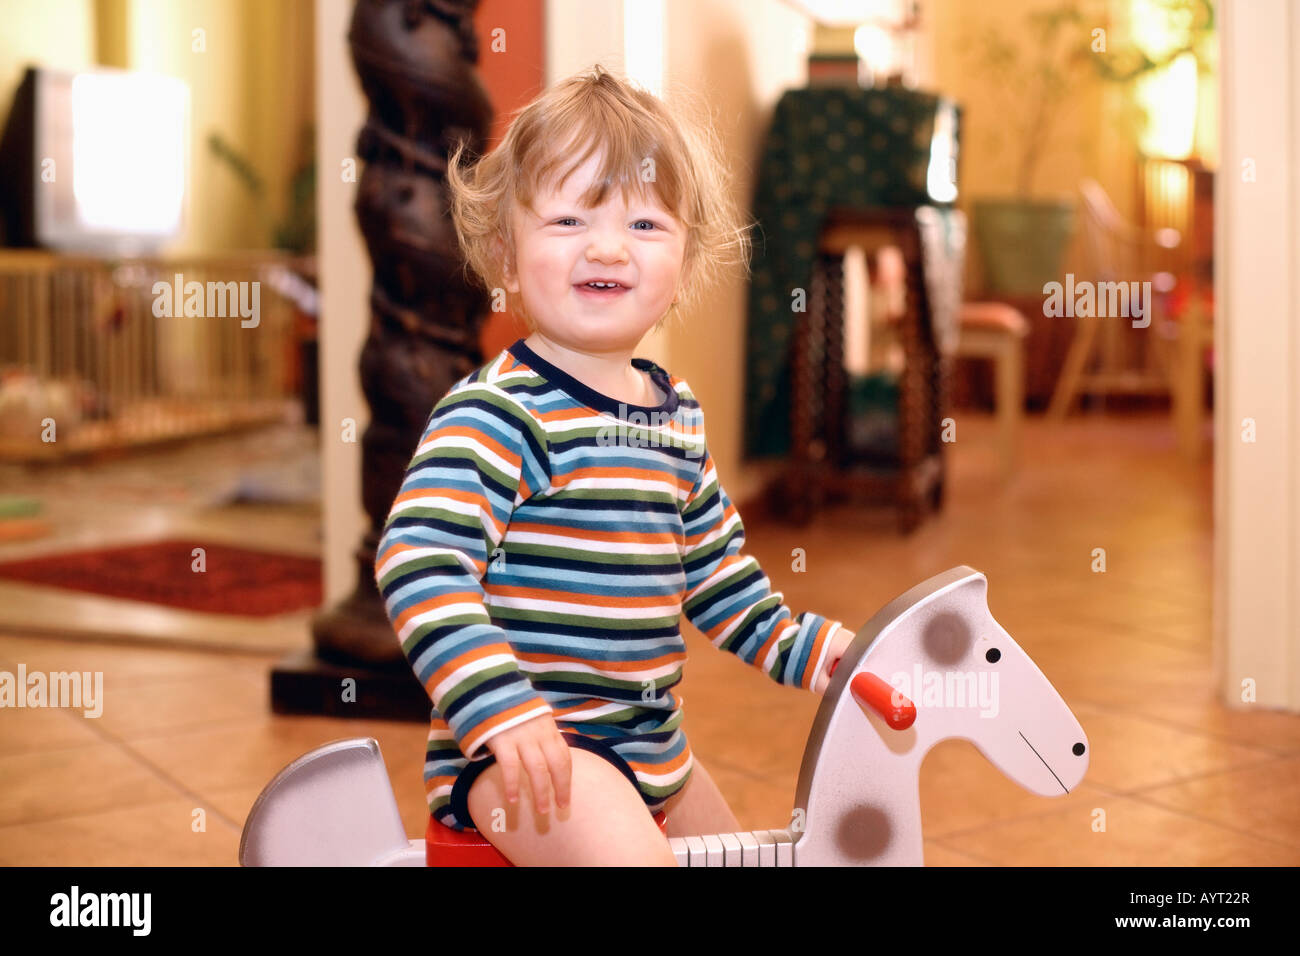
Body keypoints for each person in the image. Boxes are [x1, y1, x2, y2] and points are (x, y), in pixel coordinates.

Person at [374, 64, 854, 866]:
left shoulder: (676, 416)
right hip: (520, 760)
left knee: (745, 857)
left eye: (643, 225)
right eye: (566, 220)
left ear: (684, 265)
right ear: (506, 252)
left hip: (648, 750)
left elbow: (723, 584)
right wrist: (501, 708)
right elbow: (419, 559)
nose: (604, 246)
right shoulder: (499, 412)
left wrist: (817, 651)